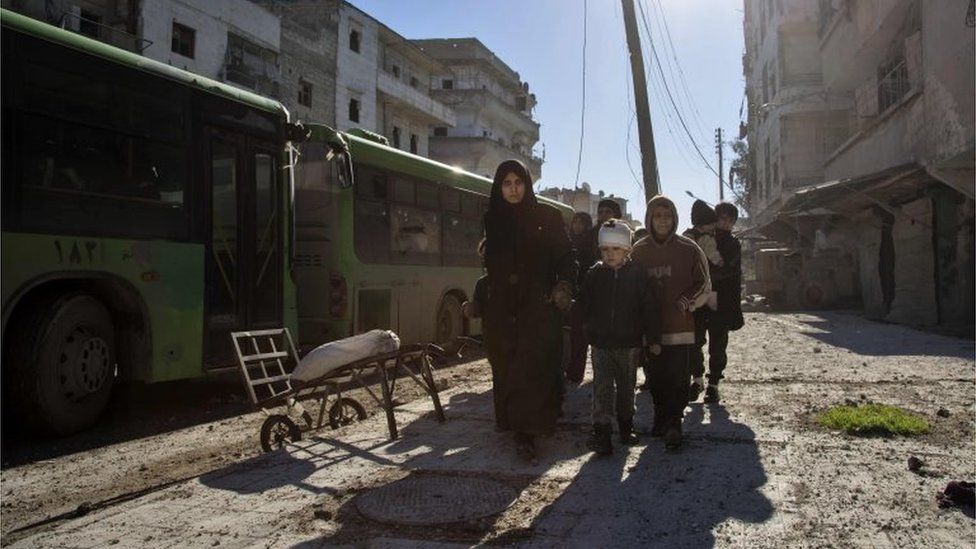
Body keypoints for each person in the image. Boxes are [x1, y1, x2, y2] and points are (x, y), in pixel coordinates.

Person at [480, 159, 577, 463]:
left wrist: (563, 286)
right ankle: (515, 423)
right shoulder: (492, 219)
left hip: (537, 307)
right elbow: (493, 267)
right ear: (499, 187)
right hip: (502, 310)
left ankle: (528, 434)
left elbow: (566, 257)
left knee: (534, 368)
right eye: (506, 183)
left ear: (527, 184)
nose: (512, 189)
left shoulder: (547, 216)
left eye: (518, 182)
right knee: (506, 366)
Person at [630, 195, 710, 450]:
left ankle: (675, 423)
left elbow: (704, 284)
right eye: (657, 215)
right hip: (651, 332)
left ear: (675, 218)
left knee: (678, 379)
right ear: (649, 219)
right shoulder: (638, 251)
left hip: (680, 329)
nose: (662, 220)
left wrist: (687, 301)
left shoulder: (688, 248)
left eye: (667, 216)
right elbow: (629, 287)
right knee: (656, 378)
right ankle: (660, 417)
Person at [578, 220, 658, 455]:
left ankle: (625, 426)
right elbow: (584, 304)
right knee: (602, 387)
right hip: (601, 344)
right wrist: (583, 325)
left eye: (615, 249)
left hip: (628, 344)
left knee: (626, 386)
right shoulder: (594, 274)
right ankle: (601, 431)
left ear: (627, 249)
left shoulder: (637, 275)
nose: (610, 254)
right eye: (605, 249)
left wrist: (652, 338)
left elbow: (649, 308)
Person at [701, 202, 745, 403]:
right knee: (695, 341)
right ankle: (696, 378)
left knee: (718, 345)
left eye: (730, 219)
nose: (725, 222)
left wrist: (708, 277)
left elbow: (730, 270)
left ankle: (713, 384)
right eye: (722, 218)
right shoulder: (703, 238)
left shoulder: (733, 243)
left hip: (723, 301)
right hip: (701, 300)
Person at [683, 200, 722, 401]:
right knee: (712, 339)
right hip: (709, 296)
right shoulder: (706, 239)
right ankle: (707, 383)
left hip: (693, 296)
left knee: (695, 340)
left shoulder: (684, 238)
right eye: (712, 223)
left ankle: (697, 380)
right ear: (705, 224)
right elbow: (716, 260)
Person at [565, 212, 596, 383]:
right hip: (567, 293)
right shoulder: (567, 242)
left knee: (579, 336)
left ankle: (576, 372)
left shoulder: (591, 244)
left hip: (583, 295)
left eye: (581, 223)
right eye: (575, 222)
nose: (577, 225)